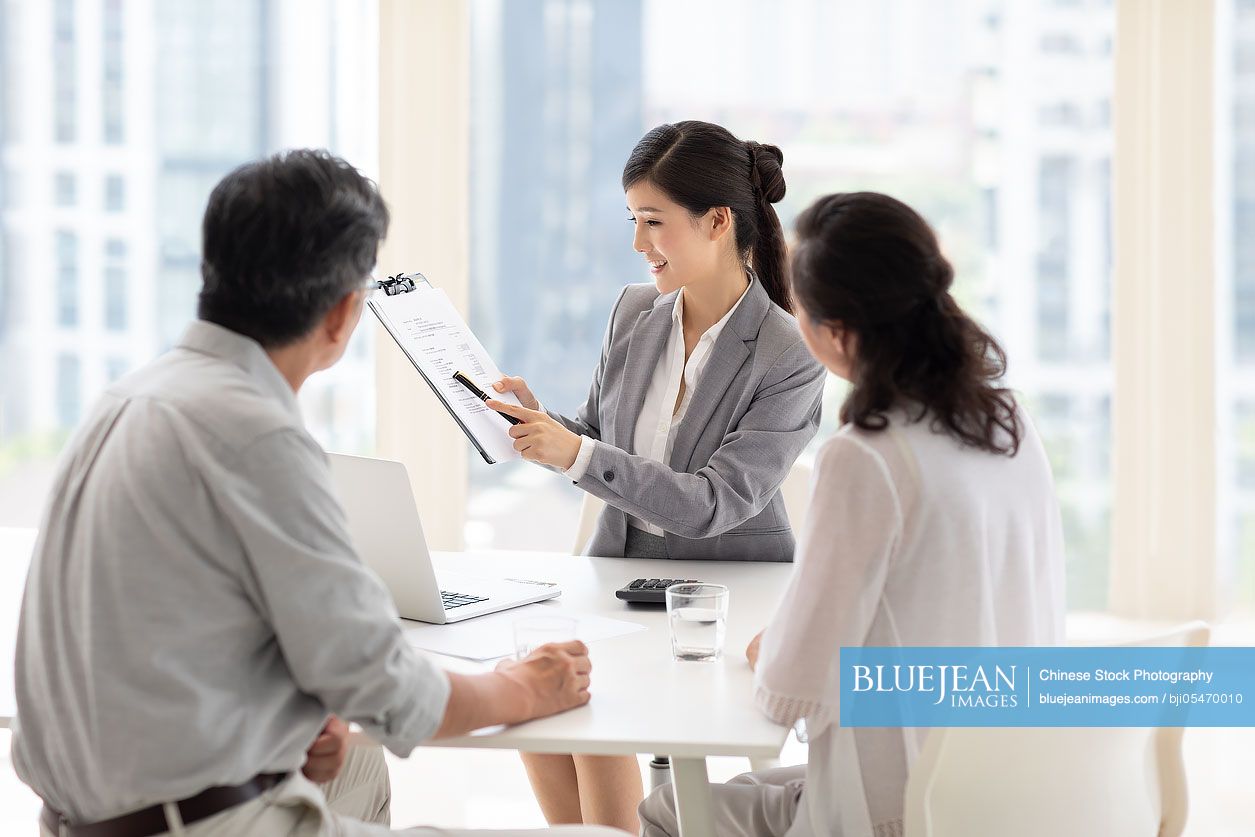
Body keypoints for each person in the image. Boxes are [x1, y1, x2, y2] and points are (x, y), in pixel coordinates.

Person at [12, 149, 625, 837]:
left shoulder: (127, 399)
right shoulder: (254, 434)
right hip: (199, 826)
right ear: (341, 314)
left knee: (355, 763)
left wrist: (286, 719)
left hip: (85, 814)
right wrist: (523, 687)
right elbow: (387, 688)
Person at [635, 192, 1067, 837]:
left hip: (899, 813)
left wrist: (777, 650)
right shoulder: (1007, 422)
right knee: (753, 790)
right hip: (1013, 796)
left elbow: (790, 691)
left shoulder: (866, 456)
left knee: (666, 811)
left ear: (835, 331)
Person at [484, 121, 826, 832]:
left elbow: (712, 503)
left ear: (718, 221)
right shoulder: (634, 312)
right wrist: (541, 425)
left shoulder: (787, 353)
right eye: (632, 221)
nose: (639, 243)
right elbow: (600, 438)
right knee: (541, 689)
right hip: (621, 574)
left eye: (653, 221)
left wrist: (574, 454)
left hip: (724, 593)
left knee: (589, 710)